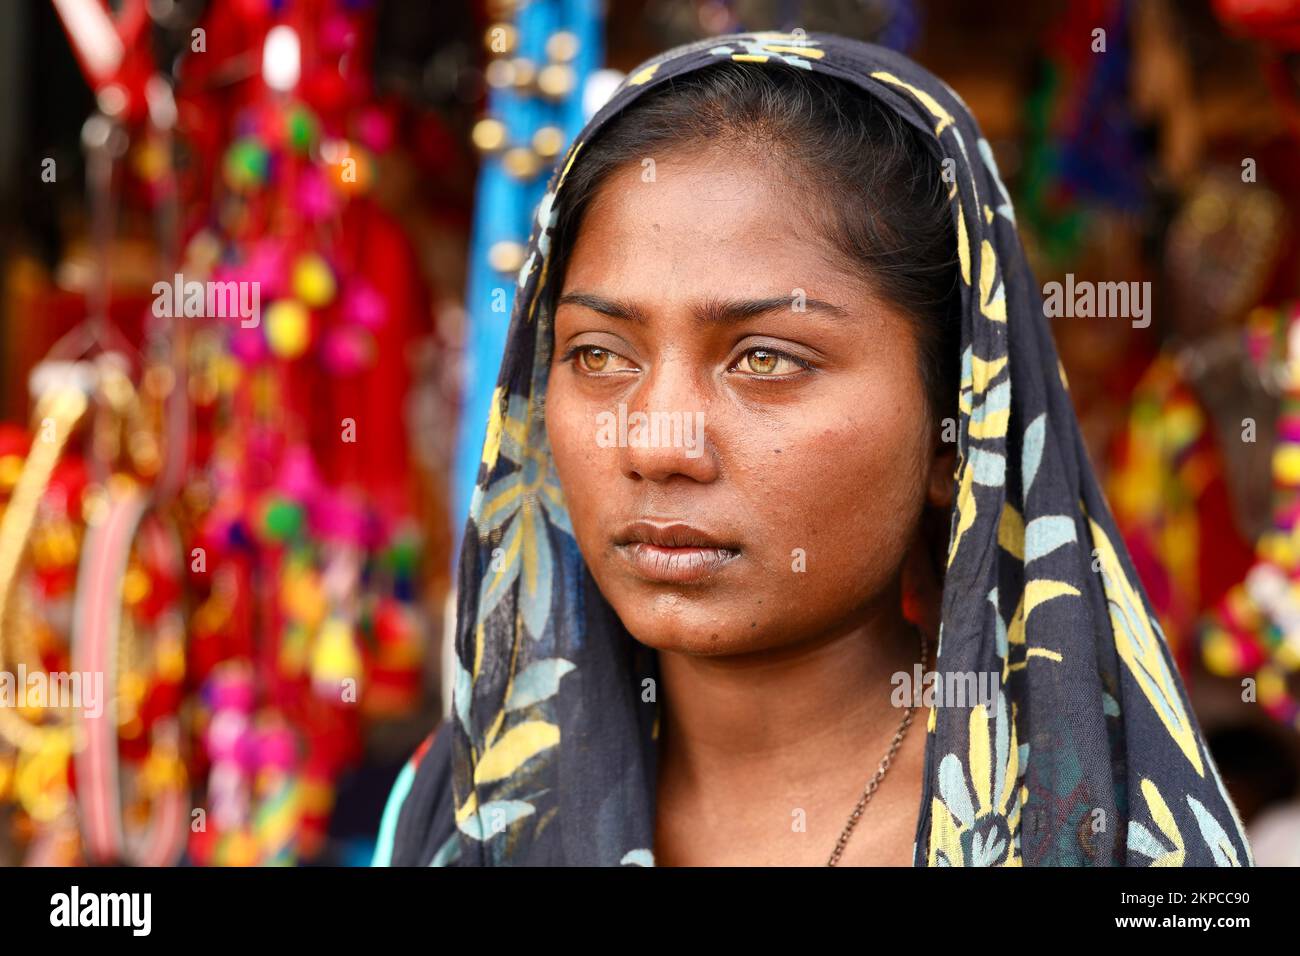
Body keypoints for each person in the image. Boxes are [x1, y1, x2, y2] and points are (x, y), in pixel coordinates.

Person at [372, 30, 1254, 867]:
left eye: (766, 360)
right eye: (599, 355)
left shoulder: (1093, 831)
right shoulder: (464, 807)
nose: (654, 441)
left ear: (960, 424)